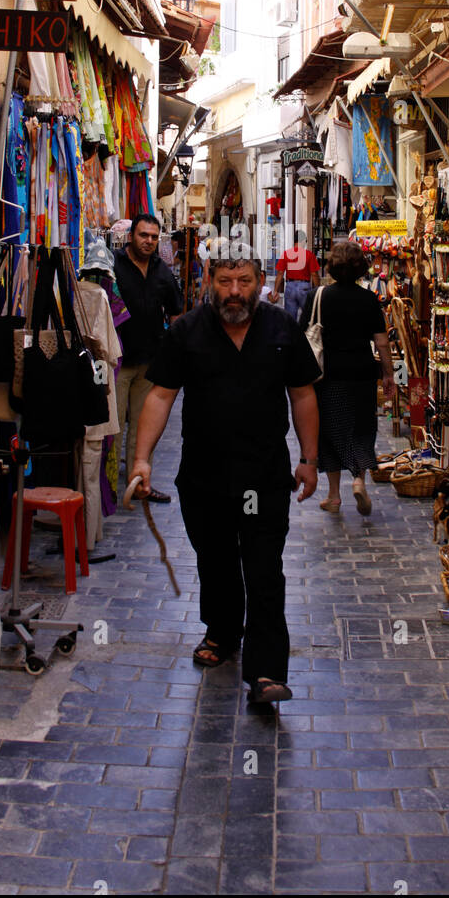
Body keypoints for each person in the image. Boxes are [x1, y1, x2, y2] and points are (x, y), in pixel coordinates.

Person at [130, 244, 320, 703]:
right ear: (210, 281)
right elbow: (160, 396)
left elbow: (303, 396)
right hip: (204, 476)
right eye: (225, 282)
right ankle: (221, 630)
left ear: (260, 282)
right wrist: (142, 458)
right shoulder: (187, 332)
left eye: (244, 282)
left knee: (264, 571)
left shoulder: (281, 329)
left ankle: (267, 671)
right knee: (215, 560)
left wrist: (309, 460)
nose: (234, 292)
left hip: (265, 476)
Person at [300, 240, 394, 515]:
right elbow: (382, 342)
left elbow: (301, 336)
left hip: (328, 376)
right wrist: (388, 374)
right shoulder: (368, 299)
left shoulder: (317, 297)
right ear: (361, 268)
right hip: (362, 374)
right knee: (361, 429)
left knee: (330, 432)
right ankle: (358, 480)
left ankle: (333, 496)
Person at [112, 212, 184, 504]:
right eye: (144, 235)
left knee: (143, 430)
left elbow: (176, 311)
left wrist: (172, 349)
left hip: (148, 361)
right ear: (131, 236)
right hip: (117, 362)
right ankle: (106, 490)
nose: (149, 241)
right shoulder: (113, 265)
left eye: (154, 237)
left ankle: (139, 483)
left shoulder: (161, 270)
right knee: (113, 428)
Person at [268, 229, 321, 321]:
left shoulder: (286, 254)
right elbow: (314, 274)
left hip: (290, 286)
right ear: (303, 241)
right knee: (309, 317)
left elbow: (280, 273)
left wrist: (275, 290)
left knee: (290, 319)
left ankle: (292, 335)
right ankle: (306, 334)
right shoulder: (309, 255)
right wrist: (317, 289)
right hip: (304, 287)